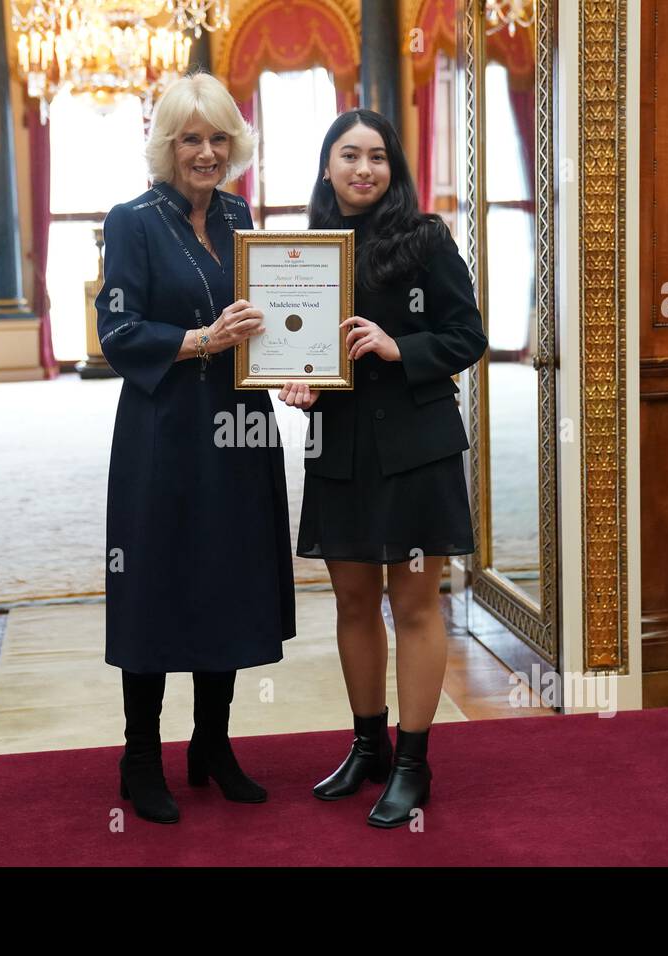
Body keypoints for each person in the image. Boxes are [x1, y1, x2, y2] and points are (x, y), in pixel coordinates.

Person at [95, 73, 296, 824]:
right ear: (166, 146)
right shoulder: (131, 221)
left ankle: (212, 744)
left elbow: (272, 323)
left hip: (240, 426)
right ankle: (139, 755)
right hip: (164, 429)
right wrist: (204, 339)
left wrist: (298, 374)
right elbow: (118, 333)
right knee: (155, 580)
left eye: (218, 138)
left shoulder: (244, 215)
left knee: (228, 572)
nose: (206, 152)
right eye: (191, 138)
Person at [278, 109, 487, 826]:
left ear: (393, 168)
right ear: (327, 166)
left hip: (416, 448)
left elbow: (469, 334)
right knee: (354, 603)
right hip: (339, 444)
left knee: (416, 605)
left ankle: (412, 762)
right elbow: (301, 351)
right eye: (349, 155)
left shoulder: (425, 238)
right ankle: (366, 746)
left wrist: (401, 348)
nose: (363, 169)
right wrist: (298, 382)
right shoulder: (306, 250)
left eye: (377, 157)